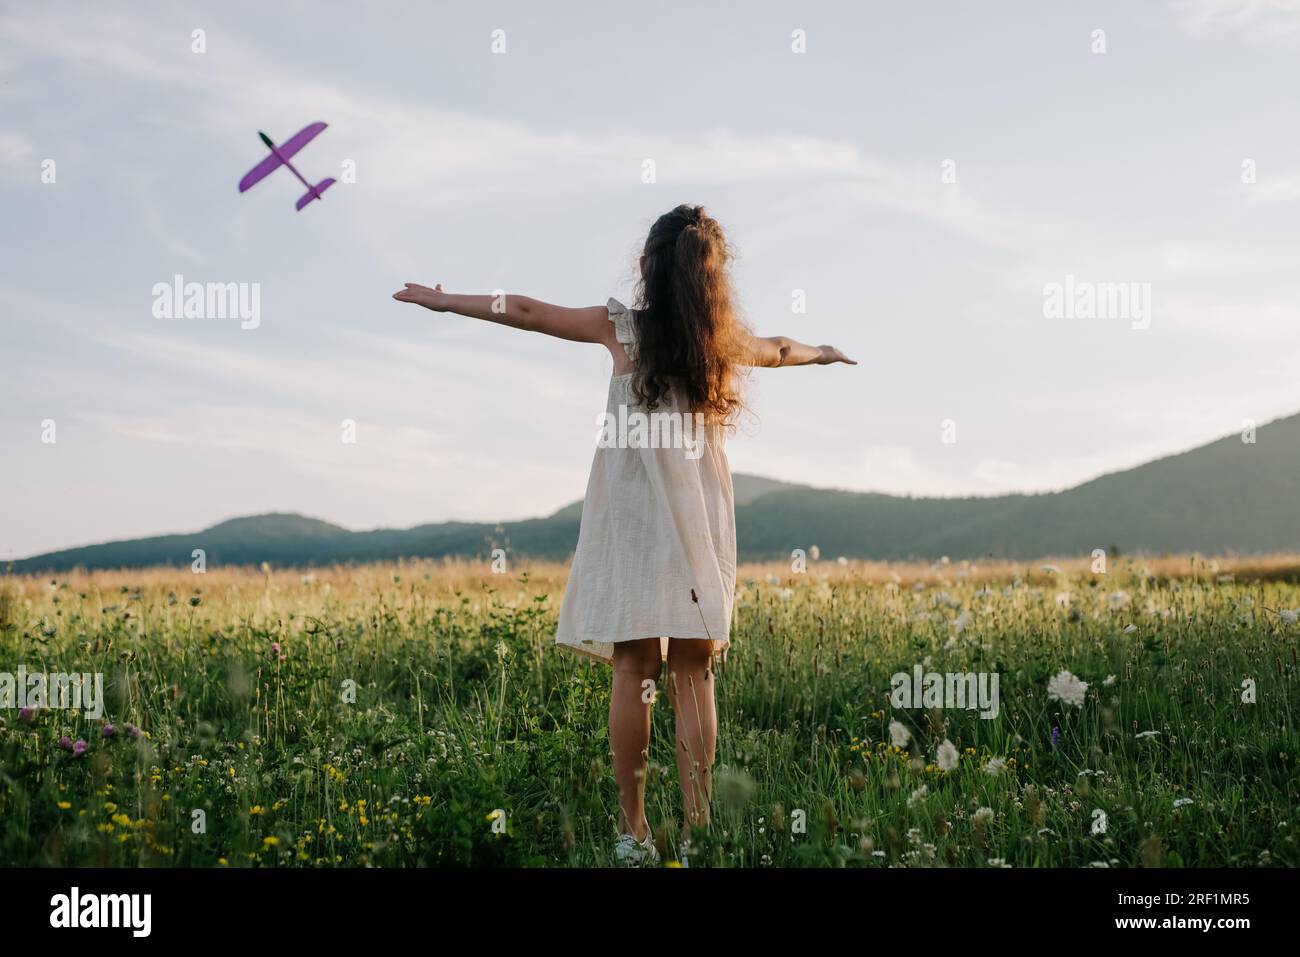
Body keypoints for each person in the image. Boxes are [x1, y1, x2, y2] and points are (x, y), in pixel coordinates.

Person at [393, 203, 855, 866]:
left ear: (647, 267)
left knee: (635, 667)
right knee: (694, 670)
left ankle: (632, 830)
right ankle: (697, 830)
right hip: (698, 522)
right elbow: (782, 349)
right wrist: (824, 353)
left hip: (633, 519)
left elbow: (525, 310)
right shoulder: (721, 346)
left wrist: (446, 301)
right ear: (713, 280)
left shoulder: (624, 330)